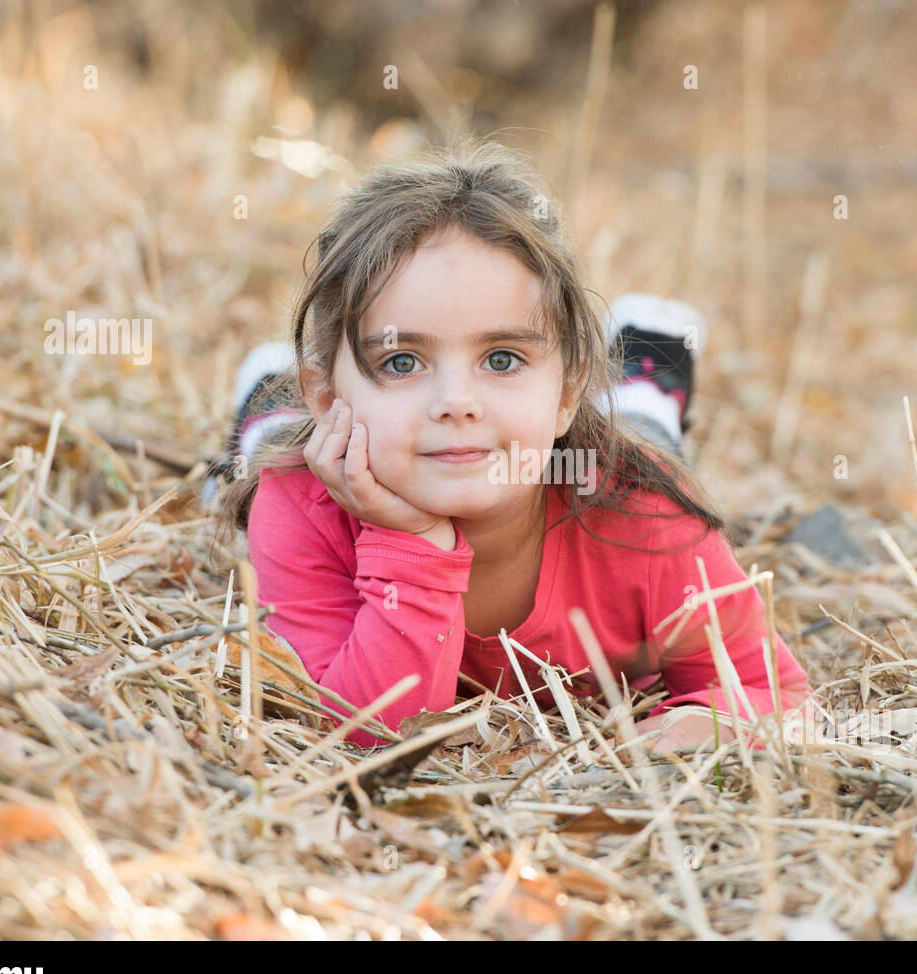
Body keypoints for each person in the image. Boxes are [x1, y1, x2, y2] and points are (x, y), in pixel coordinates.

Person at [211, 139, 808, 753]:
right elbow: (361, 731)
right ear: (328, 397)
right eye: (401, 360)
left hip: (590, 460)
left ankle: (652, 366)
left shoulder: (647, 518)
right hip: (355, 434)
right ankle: (268, 392)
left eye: (502, 358)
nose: (455, 401)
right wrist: (413, 543)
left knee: (643, 436)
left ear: (569, 390)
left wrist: (706, 723)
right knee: (256, 461)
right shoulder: (298, 505)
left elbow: (778, 698)